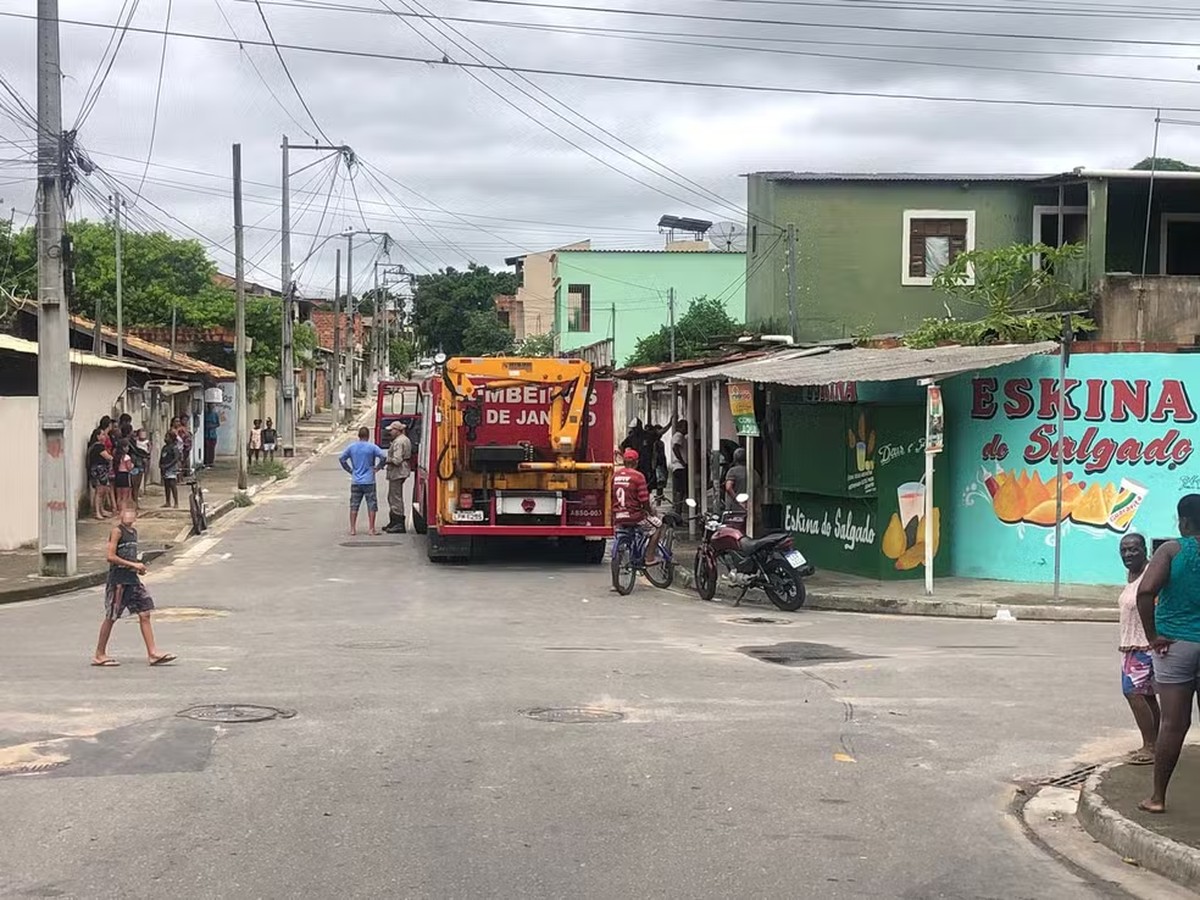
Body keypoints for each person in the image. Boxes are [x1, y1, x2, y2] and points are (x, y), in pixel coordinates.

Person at [1136, 495, 1200, 813]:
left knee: (1174, 724)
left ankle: (1158, 797)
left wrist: (1152, 636)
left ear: (1184, 522)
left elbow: (1146, 591)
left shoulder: (1172, 549)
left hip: (1176, 646)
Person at [92, 505, 176, 668]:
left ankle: (152, 653)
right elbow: (110, 556)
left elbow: (130, 557)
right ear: (120, 514)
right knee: (112, 616)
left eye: (132, 513)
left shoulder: (134, 533)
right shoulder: (117, 531)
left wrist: (137, 567)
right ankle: (99, 654)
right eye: (125, 513)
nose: (129, 516)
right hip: (118, 581)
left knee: (145, 612)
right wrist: (133, 564)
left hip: (132, 579)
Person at [1116, 534, 1159, 766]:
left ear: (1145, 550)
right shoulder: (1132, 574)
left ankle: (1150, 747)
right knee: (1148, 696)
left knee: (1132, 692)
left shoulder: (1151, 574)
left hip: (1144, 646)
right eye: (1123, 550)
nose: (1127, 554)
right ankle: (1155, 743)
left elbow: (1159, 605)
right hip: (1130, 645)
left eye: (1133, 549)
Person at [613, 448, 661, 565]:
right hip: (635, 517)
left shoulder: (615, 476)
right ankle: (649, 557)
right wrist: (649, 512)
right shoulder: (638, 476)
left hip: (618, 516)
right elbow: (644, 500)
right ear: (636, 462)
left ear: (624, 462)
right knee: (658, 527)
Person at [339, 426, 387, 536]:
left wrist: (350, 470)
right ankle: (371, 528)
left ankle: (352, 529)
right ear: (368, 436)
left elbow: (342, 459)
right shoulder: (372, 447)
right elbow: (383, 457)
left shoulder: (352, 447)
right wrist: (378, 467)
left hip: (356, 480)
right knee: (371, 504)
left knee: (354, 505)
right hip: (369, 480)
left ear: (358, 435)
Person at [384, 420, 412, 533]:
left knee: (395, 497)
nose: (390, 432)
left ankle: (398, 523)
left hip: (397, 471)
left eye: (392, 430)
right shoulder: (405, 439)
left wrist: (386, 460)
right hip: (402, 470)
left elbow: (397, 460)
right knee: (393, 496)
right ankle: (393, 522)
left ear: (397, 431)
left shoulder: (398, 442)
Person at [86, 428, 113, 520]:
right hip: (99, 470)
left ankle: (102, 509)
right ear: (97, 436)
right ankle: (97, 511)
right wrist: (111, 457)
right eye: (102, 435)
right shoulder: (98, 447)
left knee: (104, 490)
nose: (104, 436)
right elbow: (107, 457)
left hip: (101, 470)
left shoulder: (96, 446)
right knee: (99, 491)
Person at [670, 420, 689, 511]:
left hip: (678, 466)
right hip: (680, 466)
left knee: (681, 490)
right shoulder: (679, 436)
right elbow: (675, 447)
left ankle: (679, 509)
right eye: (685, 426)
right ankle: (678, 510)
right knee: (680, 491)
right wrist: (682, 461)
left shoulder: (680, 436)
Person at [131, 427, 151, 510]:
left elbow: (149, 451)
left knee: (138, 484)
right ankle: (134, 502)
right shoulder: (134, 442)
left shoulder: (147, 442)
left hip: (142, 463)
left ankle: (135, 502)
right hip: (136, 463)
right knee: (134, 484)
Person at [160, 431, 181, 509]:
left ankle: (176, 502)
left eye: (167, 437)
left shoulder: (174, 447)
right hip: (165, 467)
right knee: (166, 485)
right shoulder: (164, 447)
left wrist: (168, 465)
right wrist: (161, 465)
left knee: (172, 484)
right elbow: (161, 457)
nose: (165, 439)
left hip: (172, 468)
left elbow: (176, 458)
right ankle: (167, 501)